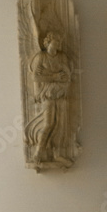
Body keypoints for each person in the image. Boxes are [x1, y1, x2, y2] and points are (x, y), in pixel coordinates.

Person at [26, 31, 72, 165]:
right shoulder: (41, 57)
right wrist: (54, 76)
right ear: (48, 42)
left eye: (59, 41)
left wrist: (49, 75)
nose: (58, 44)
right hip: (47, 93)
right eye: (55, 41)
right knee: (48, 123)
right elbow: (36, 77)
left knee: (61, 124)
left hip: (60, 92)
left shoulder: (62, 57)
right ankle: (38, 154)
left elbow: (67, 75)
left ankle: (57, 154)